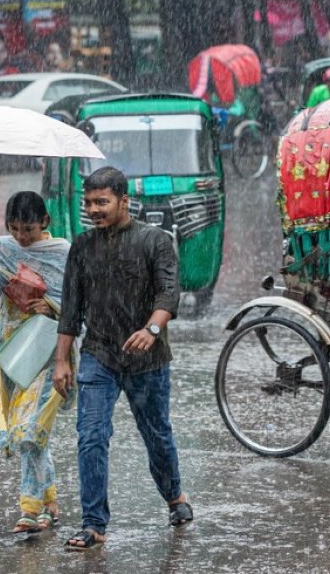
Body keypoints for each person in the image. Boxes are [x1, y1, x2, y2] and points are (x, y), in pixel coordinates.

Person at [52, 167, 191, 551]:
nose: (93, 210)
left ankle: (174, 496)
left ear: (124, 201)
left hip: (148, 359)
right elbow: (70, 309)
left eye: (102, 202)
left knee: (156, 435)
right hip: (99, 355)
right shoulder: (82, 247)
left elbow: (168, 293)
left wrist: (152, 329)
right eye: (88, 203)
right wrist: (61, 361)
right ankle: (93, 523)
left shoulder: (154, 240)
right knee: (91, 436)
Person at [0, 191, 72, 534]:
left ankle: (28, 508)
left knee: (29, 431)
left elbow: (79, 303)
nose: (21, 237)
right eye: (13, 229)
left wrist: (52, 307)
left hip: (49, 354)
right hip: (12, 353)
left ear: (45, 222)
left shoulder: (63, 253)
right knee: (30, 433)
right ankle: (50, 504)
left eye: (27, 229)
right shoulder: (4, 248)